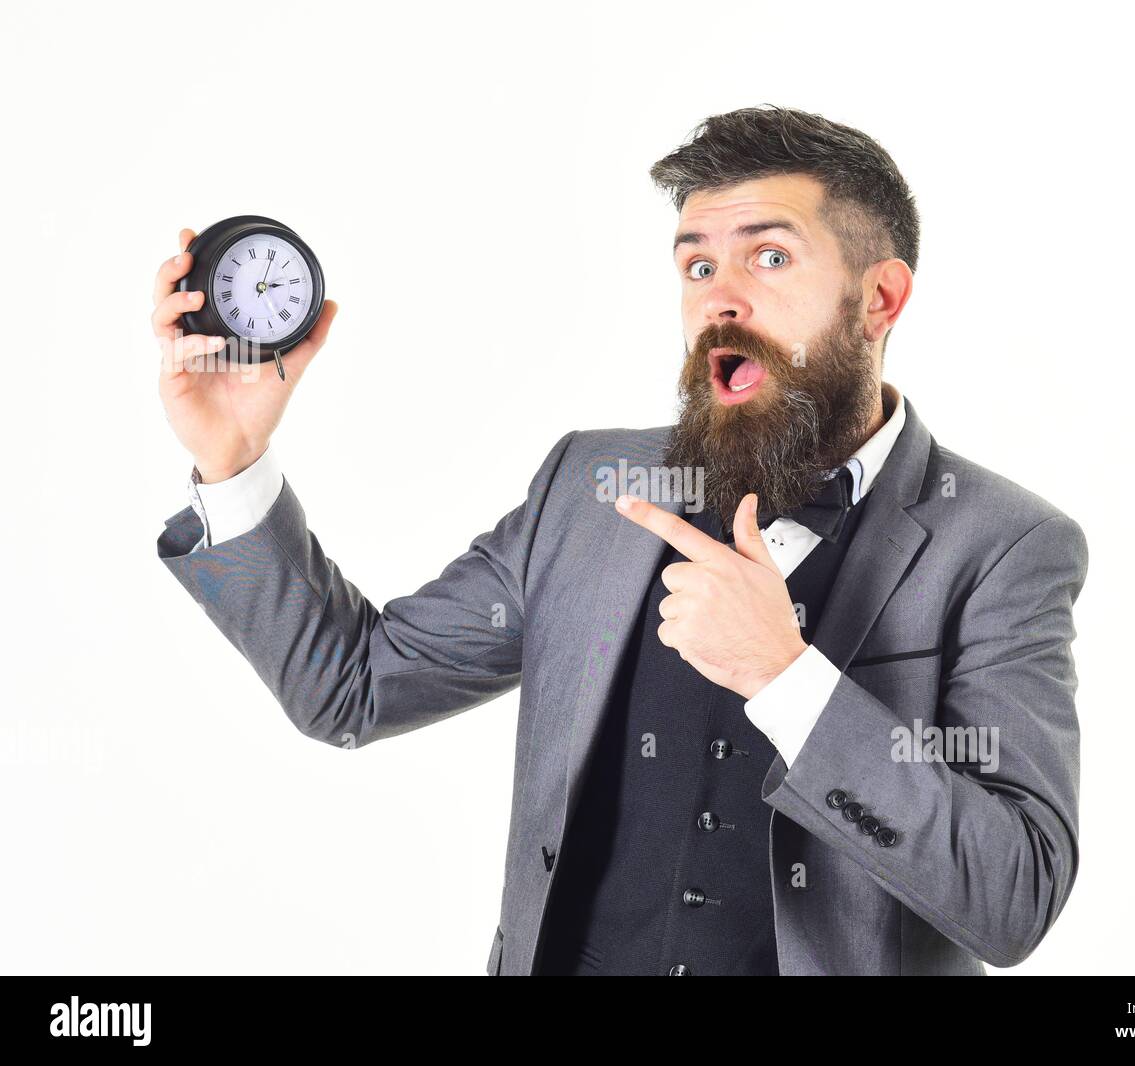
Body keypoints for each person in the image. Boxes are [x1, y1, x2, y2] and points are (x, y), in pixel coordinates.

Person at [154, 105, 1087, 976]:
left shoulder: (1003, 545)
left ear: (880, 298)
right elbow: (349, 689)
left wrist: (785, 677)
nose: (721, 299)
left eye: (768, 259)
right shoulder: (593, 492)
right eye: (696, 266)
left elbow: (1013, 896)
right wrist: (233, 462)